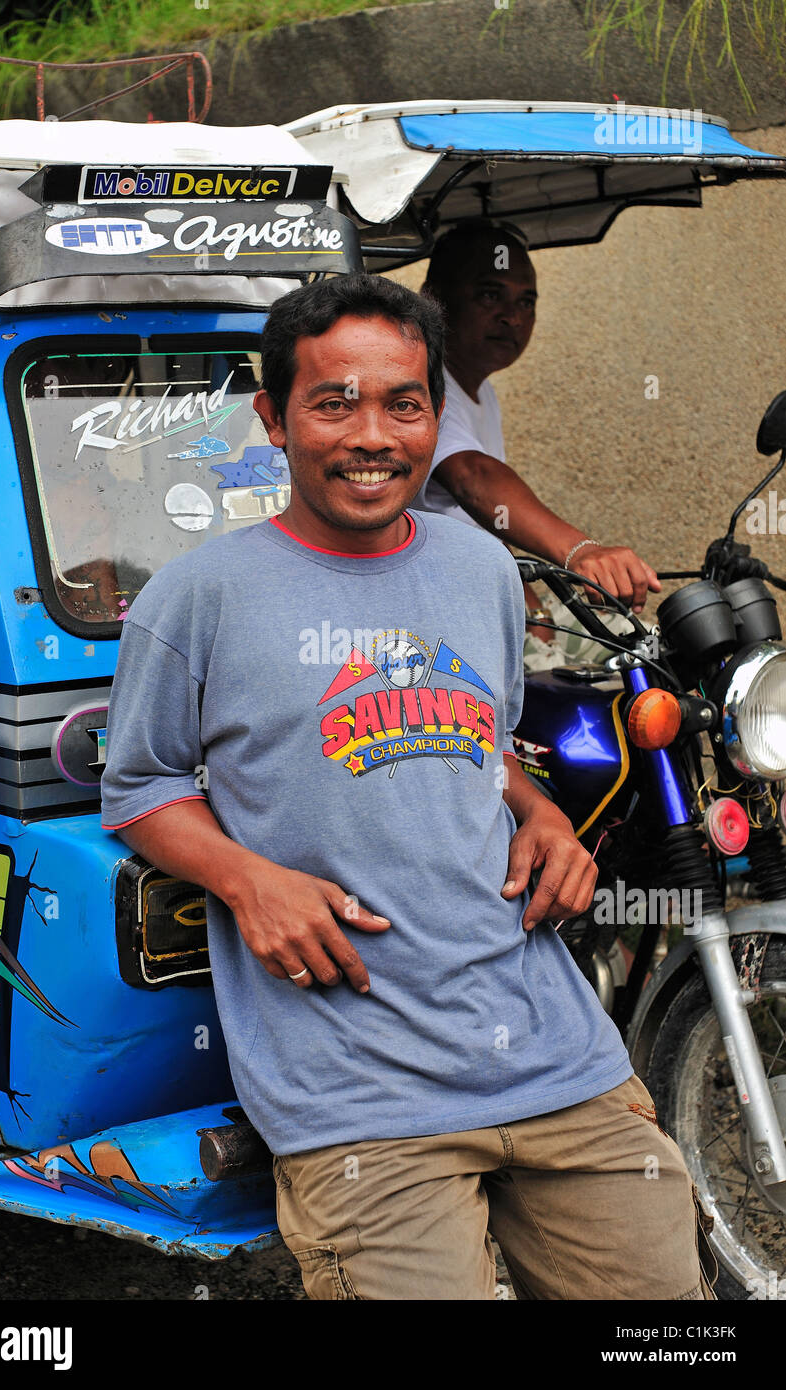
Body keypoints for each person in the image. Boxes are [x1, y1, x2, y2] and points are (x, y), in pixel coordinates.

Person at [99, 272, 714, 1301]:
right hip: (359, 1099)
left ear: (435, 412)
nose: (371, 436)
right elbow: (140, 786)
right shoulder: (198, 598)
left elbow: (480, 742)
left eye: (403, 403)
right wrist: (250, 882)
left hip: (555, 1056)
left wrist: (541, 814)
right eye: (333, 403)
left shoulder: (481, 569)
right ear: (273, 418)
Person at [414, 222, 660, 657]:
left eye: (526, 302)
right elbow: (472, 476)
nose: (512, 317)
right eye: (490, 295)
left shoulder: (483, 393)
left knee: (652, 650)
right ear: (433, 299)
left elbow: (487, 525)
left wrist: (536, 608)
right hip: (442, 630)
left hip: (493, 609)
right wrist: (581, 552)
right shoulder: (421, 388)